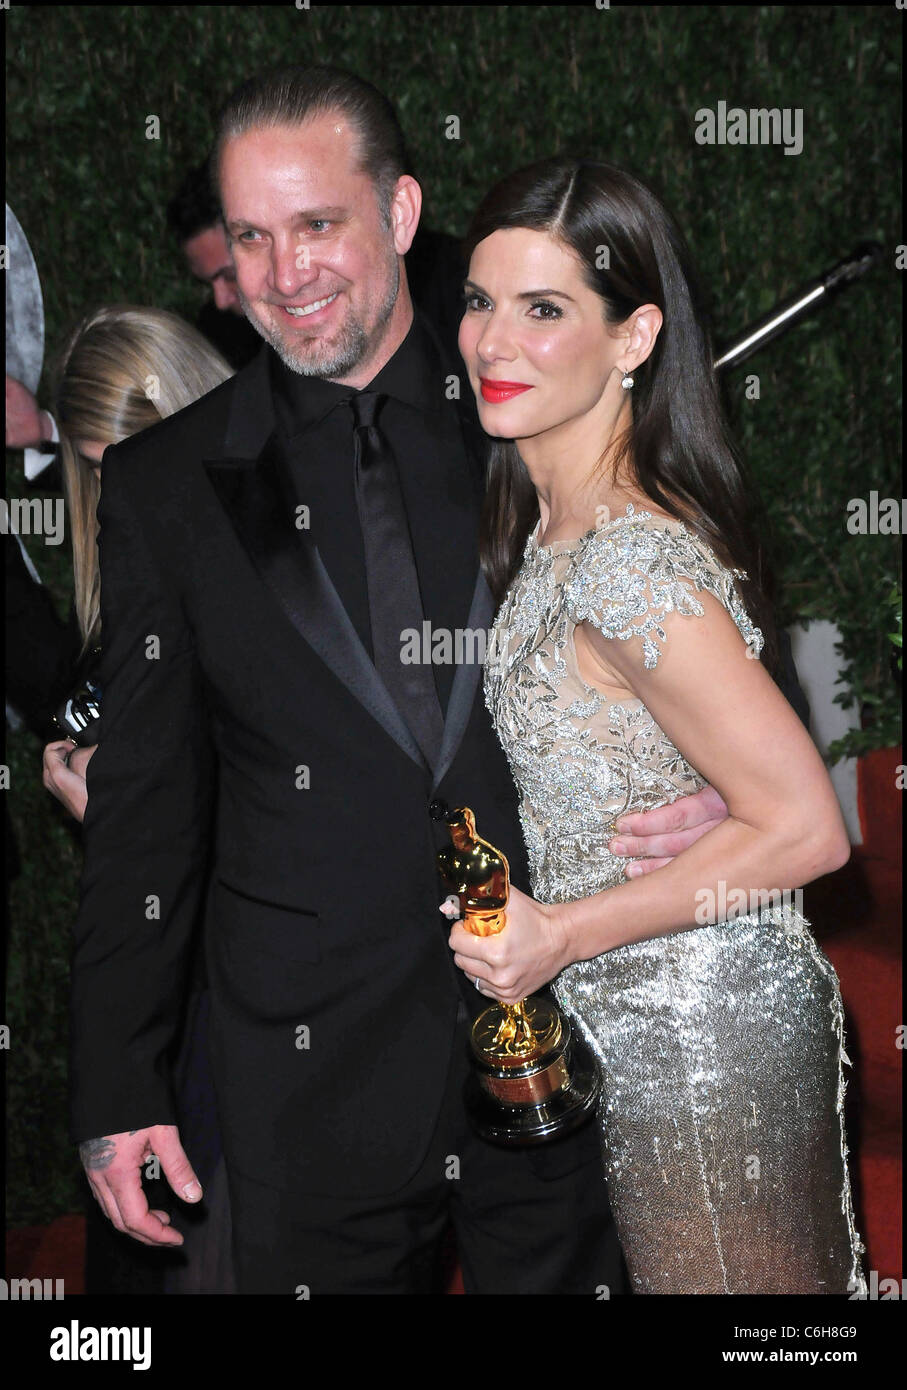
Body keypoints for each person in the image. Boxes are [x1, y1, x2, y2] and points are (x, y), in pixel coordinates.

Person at [70, 65, 806, 1295]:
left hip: (568, 1038)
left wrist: (719, 788)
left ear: (401, 216)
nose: (282, 271)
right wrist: (118, 1085)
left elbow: (685, 585)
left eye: (317, 225)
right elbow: (145, 813)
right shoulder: (166, 486)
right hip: (308, 1076)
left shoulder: (532, 397)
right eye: (250, 236)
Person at [448, 155, 868, 1295]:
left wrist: (562, 932)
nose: (493, 343)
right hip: (640, 1017)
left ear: (633, 338)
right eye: (481, 302)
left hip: (702, 1027)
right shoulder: (551, 524)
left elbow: (806, 831)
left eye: (545, 311)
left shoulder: (627, 559)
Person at [41, 305, 236, 1294]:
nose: (123, 492)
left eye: (132, 457)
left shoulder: (264, 553)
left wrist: (110, 807)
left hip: (245, 992)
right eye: (97, 467)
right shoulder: (121, 572)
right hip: (175, 991)